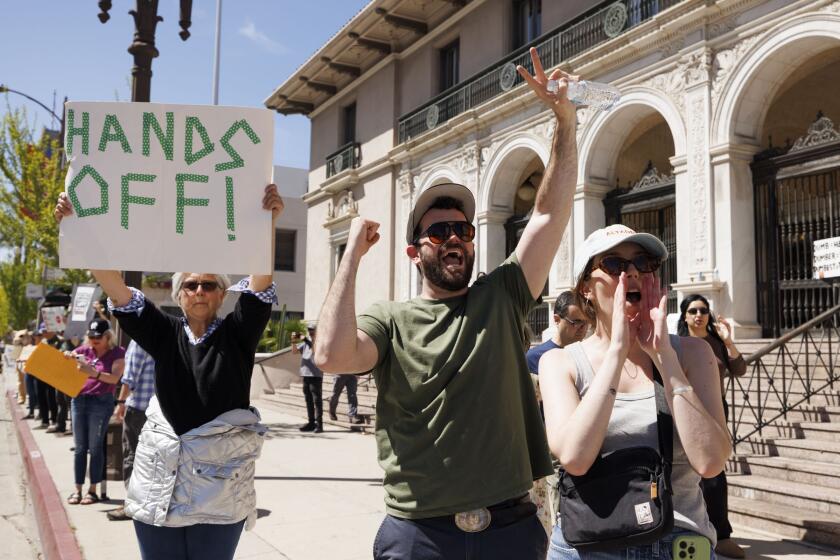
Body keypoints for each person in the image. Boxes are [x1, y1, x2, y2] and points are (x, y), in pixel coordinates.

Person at [314, 47, 577, 559]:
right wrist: (349, 257)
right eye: (440, 231)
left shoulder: (502, 295)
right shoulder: (389, 320)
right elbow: (331, 356)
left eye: (462, 229)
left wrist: (564, 120)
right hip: (420, 537)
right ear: (416, 251)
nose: (455, 238)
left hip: (510, 530)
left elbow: (548, 214)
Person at [55, 183, 283, 560]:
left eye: (208, 285)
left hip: (219, 489)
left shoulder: (237, 333)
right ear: (179, 295)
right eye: (189, 285)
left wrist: (267, 224)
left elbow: (260, 284)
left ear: (222, 294)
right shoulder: (164, 332)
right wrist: (77, 228)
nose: (198, 291)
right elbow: (116, 287)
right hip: (159, 483)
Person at [539, 224, 731, 559]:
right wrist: (616, 352)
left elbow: (711, 461)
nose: (631, 272)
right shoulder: (560, 363)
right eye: (614, 264)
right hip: (590, 545)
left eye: (643, 262)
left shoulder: (693, 355)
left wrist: (664, 358)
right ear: (586, 286)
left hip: (677, 542)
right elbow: (575, 457)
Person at [678, 294, 747, 559]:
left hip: (716, 411)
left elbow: (739, 369)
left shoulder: (716, 343)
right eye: (693, 310)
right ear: (684, 315)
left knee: (715, 473)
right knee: (686, 472)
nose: (699, 315)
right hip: (685, 412)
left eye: (703, 310)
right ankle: (691, 529)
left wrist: (728, 340)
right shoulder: (678, 344)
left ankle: (722, 534)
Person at [66, 319, 126, 506]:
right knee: (80, 447)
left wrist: (93, 373)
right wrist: (66, 357)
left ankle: (93, 490)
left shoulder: (117, 353)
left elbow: (115, 378)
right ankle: (77, 488)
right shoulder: (84, 351)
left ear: (108, 336)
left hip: (101, 402)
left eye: (98, 337)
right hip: (79, 399)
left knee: (95, 446)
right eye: (91, 337)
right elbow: (65, 362)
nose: (94, 341)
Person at [107, 339, 156, 521]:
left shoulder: (139, 342)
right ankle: (148, 503)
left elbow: (130, 376)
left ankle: (133, 504)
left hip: (138, 408)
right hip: (159, 409)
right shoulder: (164, 335)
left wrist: (120, 402)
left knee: (132, 456)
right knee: (152, 460)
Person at [526, 290, 590, 375]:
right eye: (577, 322)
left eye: (586, 322)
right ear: (557, 320)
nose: (583, 328)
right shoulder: (532, 358)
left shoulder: (589, 354)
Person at [291, 325, 324, 433]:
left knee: (317, 401)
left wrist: (304, 338)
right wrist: (293, 341)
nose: (310, 332)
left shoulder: (320, 341)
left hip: (316, 375)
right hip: (306, 375)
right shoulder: (306, 341)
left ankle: (319, 425)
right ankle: (311, 423)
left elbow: (314, 349)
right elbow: (294, 352)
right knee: (308, 400)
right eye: (309, 330)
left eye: (312, 330)